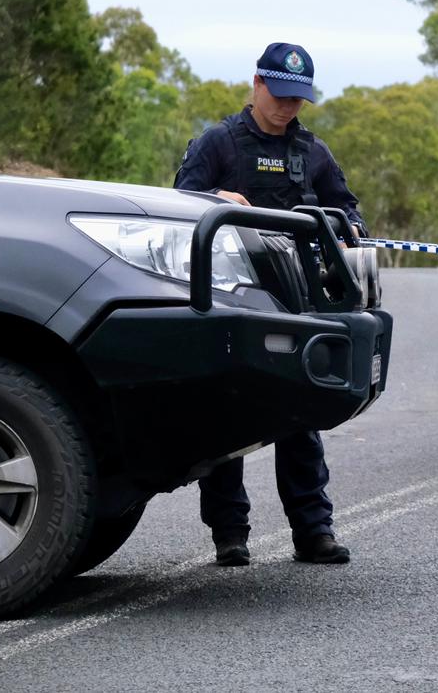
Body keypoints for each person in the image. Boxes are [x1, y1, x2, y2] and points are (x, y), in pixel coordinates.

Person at [173, 41, 367, 566]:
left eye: (297, 100)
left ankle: (313, 531)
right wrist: (215, 201)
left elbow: (351, 214)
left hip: (296, 302)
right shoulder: (218, 143)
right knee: (225, 414)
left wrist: (346, 232)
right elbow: (174, 206)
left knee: (299, 416)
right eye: (279, 95)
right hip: (229, 303)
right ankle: (230, 535)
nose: (287, 108)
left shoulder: (313, 153)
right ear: (257, 85)